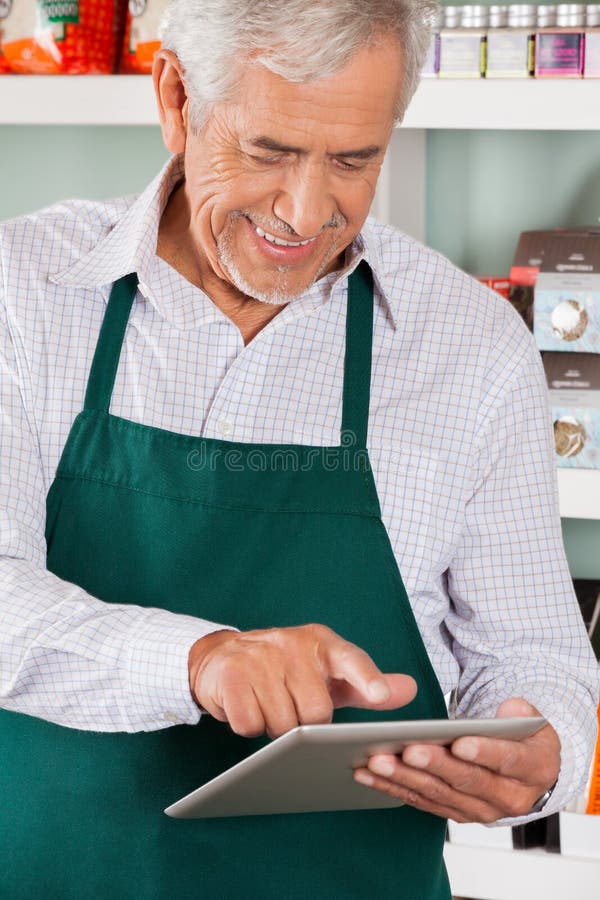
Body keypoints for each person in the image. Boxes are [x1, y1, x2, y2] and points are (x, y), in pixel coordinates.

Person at [0, 1, 598, 897]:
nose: (306, 212)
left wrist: (535, 755)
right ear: (175, 97)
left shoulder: (470, 344)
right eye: (270, 151)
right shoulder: (23, 293)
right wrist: (201, 661)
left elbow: (532, 651)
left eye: (354, 160)